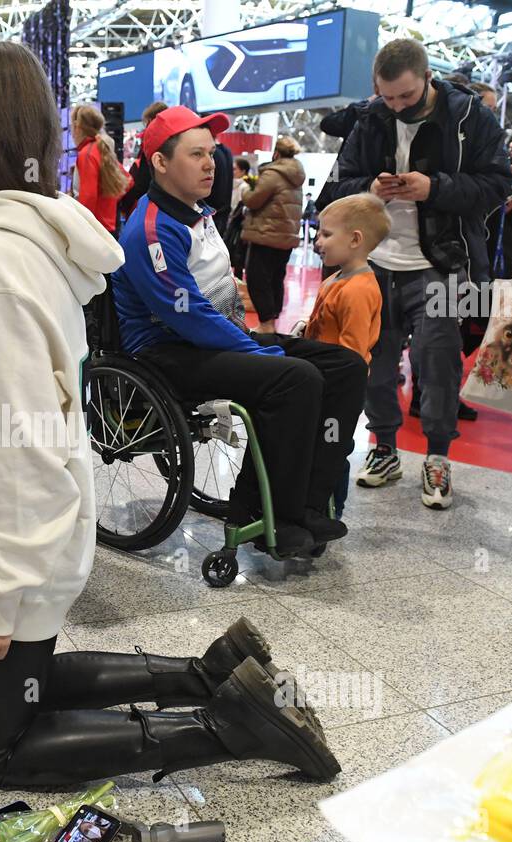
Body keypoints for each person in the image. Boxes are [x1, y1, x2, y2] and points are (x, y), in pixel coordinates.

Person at [0, 42, 339, 789]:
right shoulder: (21, 239)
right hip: (32, 531)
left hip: (17, 539)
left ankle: (231, 724)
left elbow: (26, 445)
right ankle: (211, 674)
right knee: (27, 683)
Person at [112, 106, 368, 557]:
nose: (211, 163)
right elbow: (187, 315)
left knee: (344, 366)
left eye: (211, 153)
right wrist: (256, 351)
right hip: (167, 354)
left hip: (211, 337)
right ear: (160, 162)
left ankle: (308, 502)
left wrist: (256, 340)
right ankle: (259, 512)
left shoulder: (197, 213)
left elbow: (214, 296)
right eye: (197, 155)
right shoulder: (151, 229)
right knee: (294, 377)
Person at [330, 38, 511, 510]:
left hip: (443, 264)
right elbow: (335, 187)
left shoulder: (470, 116)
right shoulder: (371, 118)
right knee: (373, 363)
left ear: (428, 78)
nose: (397, 106)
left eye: (406, 97)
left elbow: (496, 185)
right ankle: (384, 448)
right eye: (387, 97)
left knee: (439, 363)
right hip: (373, 263)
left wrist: (436, 188)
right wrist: (370, 189)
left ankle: (437, 457)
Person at [301, 193, 391, 519]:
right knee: (316, 446)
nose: (318, 241)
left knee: (333, 449)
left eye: (326, 234)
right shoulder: (335, 279)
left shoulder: (358, 290)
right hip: (320, 380)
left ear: (355, 239)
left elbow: (351, 355)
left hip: (337, 389)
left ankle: (330, 511)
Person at [241, 135, 306, 332]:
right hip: (286, 236)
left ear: (276, 153)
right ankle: (272, 321)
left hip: (265, 234)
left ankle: (266, 324)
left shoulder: (273, 173)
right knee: (276, 278)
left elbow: (253, 200)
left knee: (257, 279)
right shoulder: (296, 175)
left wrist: (245, 189)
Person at [70, 104, 130, 235]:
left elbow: (88, 197)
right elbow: (128, 180)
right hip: (108, 228)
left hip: (93, 231)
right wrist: (109, 202)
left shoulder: (87, 154)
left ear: (78, 128)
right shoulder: (102, 149)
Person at [118, 100, 169, 220]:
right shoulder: (172, 143)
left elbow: (143, 181)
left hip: (149, 209)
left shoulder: (152, 144)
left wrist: (127, 203)